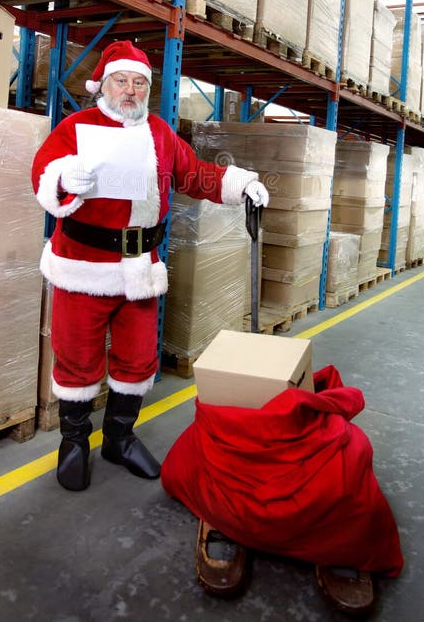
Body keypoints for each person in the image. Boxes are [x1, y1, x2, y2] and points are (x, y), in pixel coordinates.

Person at [31, 40, 269, 492]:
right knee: (77, 359)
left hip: (139, 269)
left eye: (140, 83)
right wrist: (64, 177)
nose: (130, 91)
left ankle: (119, 438)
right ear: (102, 84)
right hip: (83, 267)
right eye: (121, 81)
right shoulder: (76, 127)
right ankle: (74, 442)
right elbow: (42, 169)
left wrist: (243, 185)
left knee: (139, 359)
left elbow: (194, 173)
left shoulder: (158, 132)